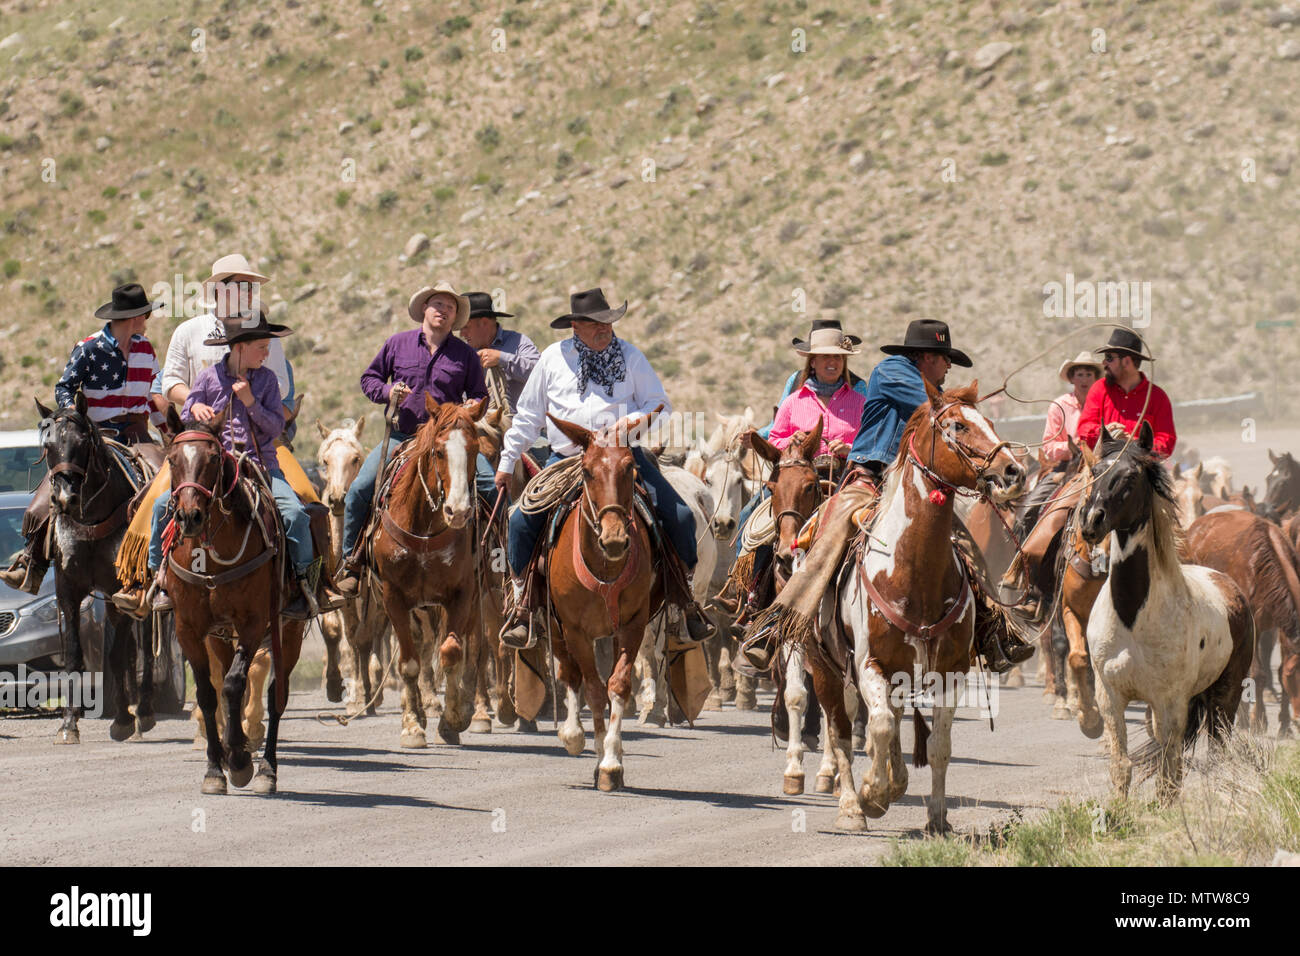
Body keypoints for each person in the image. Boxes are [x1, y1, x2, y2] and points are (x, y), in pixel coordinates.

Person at [743, 318, 1033, 671]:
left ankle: (994, 628)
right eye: (946, 360)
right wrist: (959, 409)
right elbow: (938, 407)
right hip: (868, 479)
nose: (948, 368)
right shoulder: (891, 371)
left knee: (962, 543)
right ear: (928, 357)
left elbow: (944, 416)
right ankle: (778, 624)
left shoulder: (923, 392)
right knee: (830, 538)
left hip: (907, 484)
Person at [493, 288, 715, 648]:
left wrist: (630, 424)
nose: (605, 329)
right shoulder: (552, 359)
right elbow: (529, 418)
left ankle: (684, 603)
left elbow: (660, 404)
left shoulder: (630, 356)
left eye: (608, 322)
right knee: (521, 521)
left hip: (624, 456)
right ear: (576, 326)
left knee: (679, 515)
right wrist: (506, 463)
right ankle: (522, 607)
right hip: (568, 458)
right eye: (596, 324)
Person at [112, 310, 341, 620]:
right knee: (161, 507)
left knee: (296, 514)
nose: (267, 352)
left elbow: (276, 428)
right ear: (240, 347)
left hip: (260, 465)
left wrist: (250, 402)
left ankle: (305, 584)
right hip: (213, 467)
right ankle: (156, 581)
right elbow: (190, 407)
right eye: (261, 346)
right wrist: (198, 406)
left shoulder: (267, 382)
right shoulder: (209, 378)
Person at [1, 283, 164, 594]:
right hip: (95, 436)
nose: (148, 318)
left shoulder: (146, 349)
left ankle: (163, 570)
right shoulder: (88, 348)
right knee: (40, 505)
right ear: (133, 317)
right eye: (146, 313)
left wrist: (169, 433)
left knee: (165, 485)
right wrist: (73, 411)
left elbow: (152, 397)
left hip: (137, 435)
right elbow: (63, 388)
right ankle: (30, 563)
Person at [1004, 329, 1176, 615]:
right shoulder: (1100, 391)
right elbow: (1084, 430)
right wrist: (1108, 435)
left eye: (1110, 358)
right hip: (1096, 470)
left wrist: (1138, 448)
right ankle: (1037, 590)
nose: (1105, 363)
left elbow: (1167, 440)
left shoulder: (1156, 397)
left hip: (1140, 476)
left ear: (1128, 362)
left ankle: (1179, 585)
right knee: (1050, 511)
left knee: (1177, 520)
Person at [334, 281, 489, 595]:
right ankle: (352, 561)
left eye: (450, 308)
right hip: (402, 437)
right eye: (438, 305)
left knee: (490, 484)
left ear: (455, 317)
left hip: (448, 441)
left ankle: (496, 561)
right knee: (360, 490)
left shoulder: (466, 355)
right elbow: (369, 380)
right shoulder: (397, 344)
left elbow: (478, 395)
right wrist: (389, 391)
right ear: (424, 309)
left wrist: (472, 405)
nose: (443, 312)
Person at [729, 321, 866, 618]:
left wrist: (850, 449)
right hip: (798, 479)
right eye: (825, 358)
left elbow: (869, 442)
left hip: (844, 478)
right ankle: (751, 595)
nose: (832, 363)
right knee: (759, 526)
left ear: (844, 362)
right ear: (812, 362)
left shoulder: (860, 401)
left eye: (837, 358)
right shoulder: (794, 401)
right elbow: (775, 438)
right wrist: (789, 440)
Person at [1013, 351, 1102, 538]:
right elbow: (1049, 447)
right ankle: (1023, 556)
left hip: (1098, 465)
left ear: (1095, 379)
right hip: (1065, 467)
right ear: (1072, 378)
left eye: (1089, 374)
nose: (1084, 379)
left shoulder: (1104, 404)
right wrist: (1072, 447)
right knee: (1030, 508)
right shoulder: (1059, 406)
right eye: (1080, 374)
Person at [458, 292, 541, 414]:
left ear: (484, 322)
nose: (462, 334)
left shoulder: (519, 342)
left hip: (519, 425)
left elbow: (540, 374)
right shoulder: (464, 352)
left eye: (465, 327)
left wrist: (501, 358)